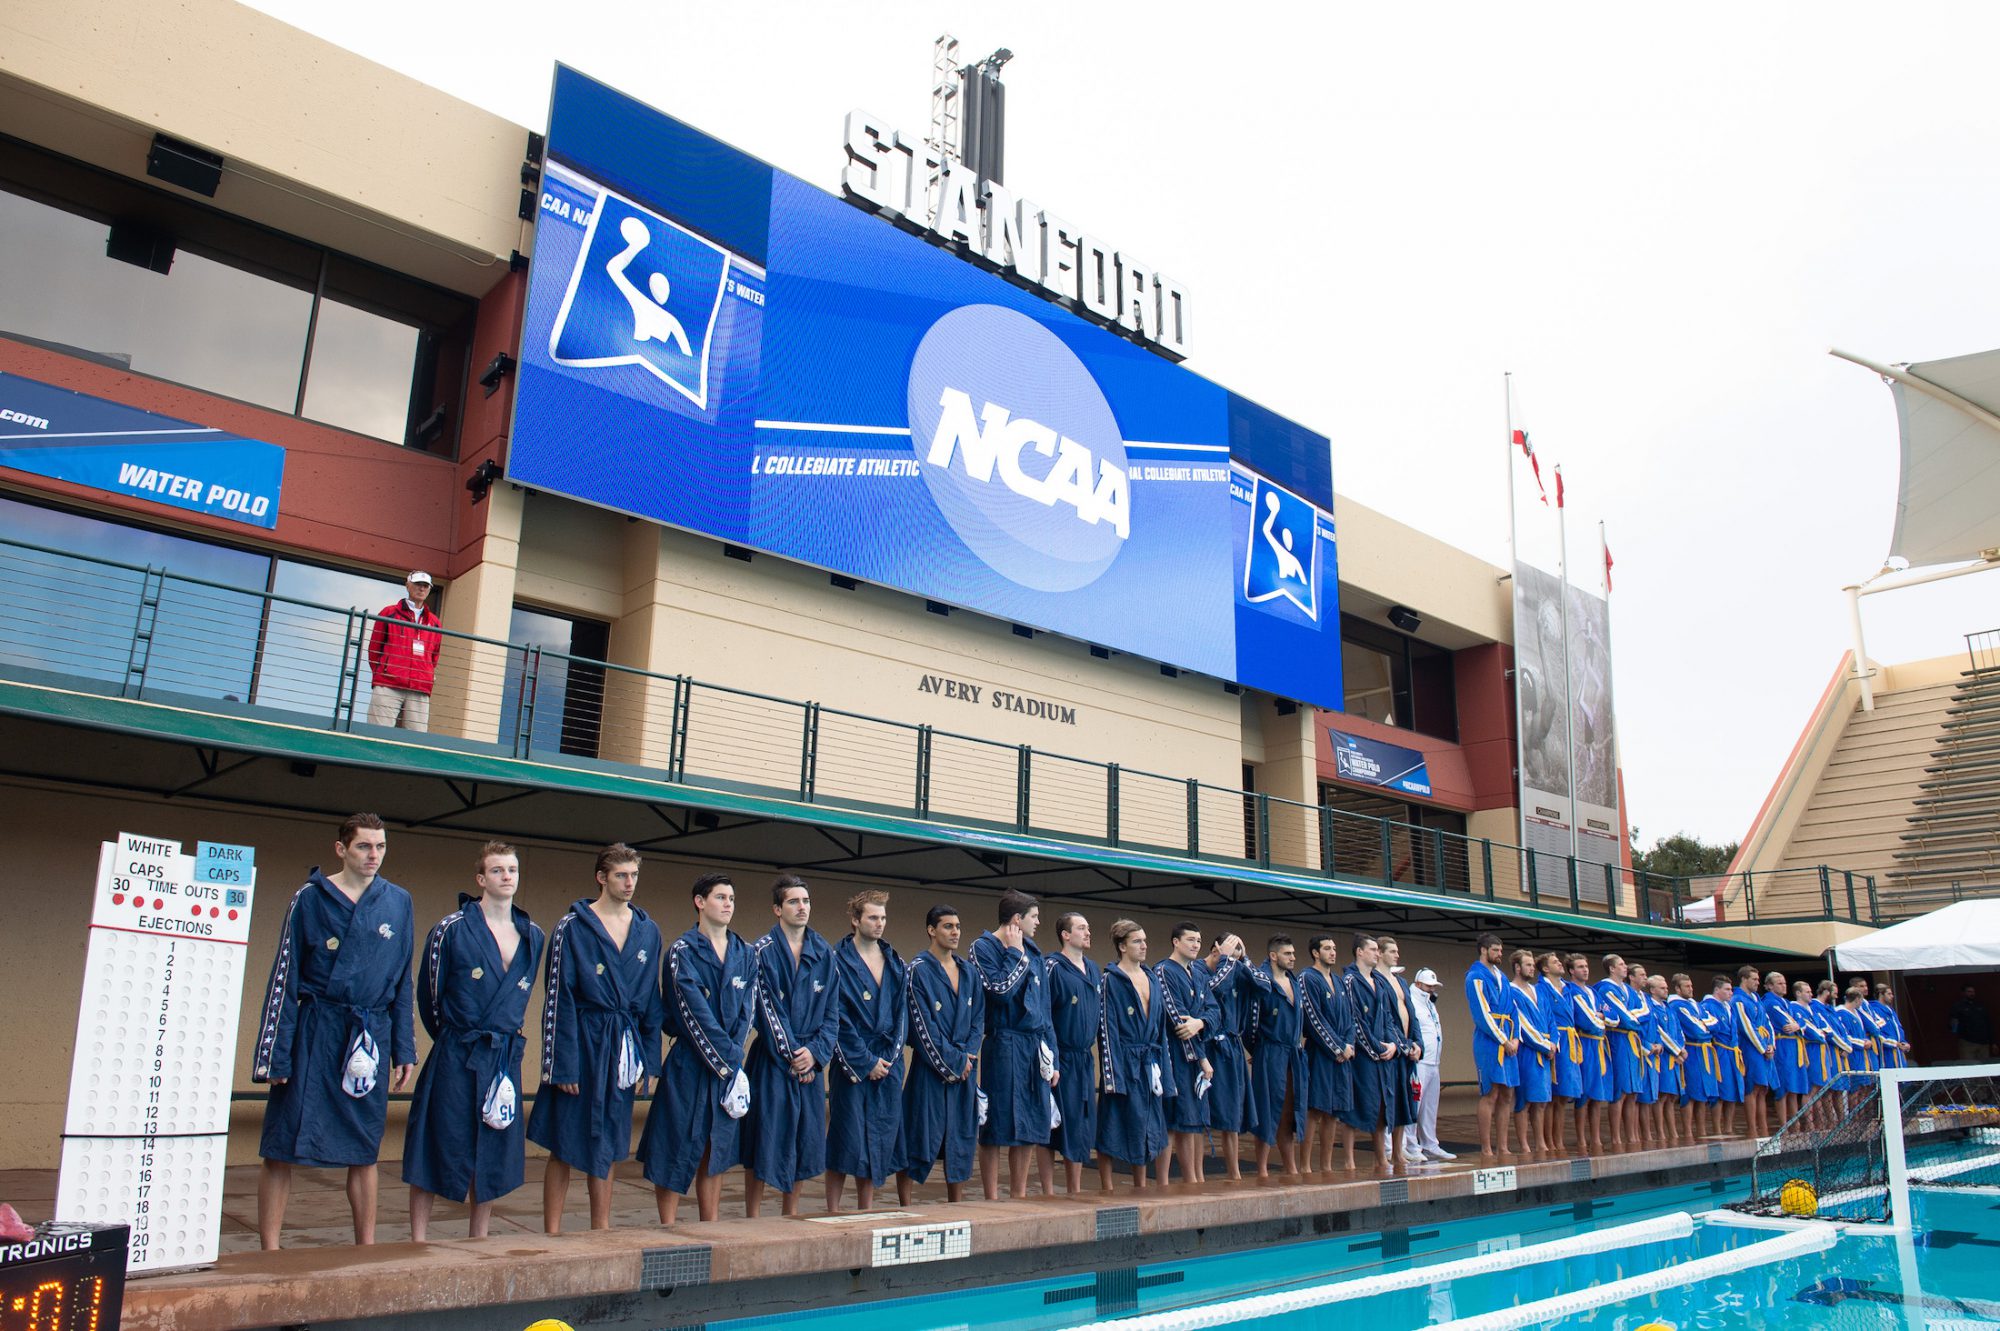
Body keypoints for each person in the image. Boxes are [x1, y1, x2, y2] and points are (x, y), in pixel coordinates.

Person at [253, 813, 416, 1248]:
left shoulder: (399, 902)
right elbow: (284, 979)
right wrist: (275, 1054)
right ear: (341, 848)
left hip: (369, 1035)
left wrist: (404, 1048)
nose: (373, 856)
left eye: (380, 847)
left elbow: (403, 981)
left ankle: (365, 1245)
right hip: (315, 1030)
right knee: (281, 1145)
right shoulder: (310, 898)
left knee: (364, 1147)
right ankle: (269, 1248)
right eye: (364, 846)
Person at [404, 840, 546, 1240]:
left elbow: (522, 993)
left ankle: (478, 1235)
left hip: (502, 1055)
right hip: (456, 1048)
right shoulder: (450, 929)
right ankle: (418, 1237)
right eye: (498, 870)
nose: (506, 877)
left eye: (512, 870)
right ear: (481, 878)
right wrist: (453, 1036)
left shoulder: (532, 934)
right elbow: (428, 996)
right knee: (436, 1141)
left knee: (493, 1145)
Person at [527, 843, 664, 1233]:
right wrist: (561, 1065)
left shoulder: (647, 930)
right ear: (601, 878)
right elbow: (558, 998)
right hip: (583, 1041)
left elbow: (651, 1002)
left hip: (621, 1045)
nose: (629, 883)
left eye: (634, 875)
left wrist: (648, 1061)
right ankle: (551, 1230)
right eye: (621, 875)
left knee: (608, 1144)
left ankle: (600, 1228)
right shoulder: (572, 927)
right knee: (564, 1143)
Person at [641, 872, 756, 1224]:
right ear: (700, 902)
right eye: (721, 897)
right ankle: (668, 1226)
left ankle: (711, 1224)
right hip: (690, 1064)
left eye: (732, 899)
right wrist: (728, 1059)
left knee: (715, 1148)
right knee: (674, 1145)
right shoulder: (682, 951)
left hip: (727, 1067)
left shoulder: (746, 953)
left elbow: (747, 1010)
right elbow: (691, 1011)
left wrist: (732, 1059)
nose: (727, 905)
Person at [743, 874, 839, 1218]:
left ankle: (791, 1214)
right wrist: (793, 1055)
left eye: (806, 901)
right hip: (773, 1063)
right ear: (777, 909)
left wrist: (814, 1056)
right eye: (794, 902)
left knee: (803, 1140)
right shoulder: (759, 952)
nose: (802, 907)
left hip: (810, 1067)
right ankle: (753, 1216)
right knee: (762, 1141)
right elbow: (765, 1009)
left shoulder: (825, 954)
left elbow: (832, 1013)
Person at [973, 890, 1057, 1200]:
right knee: (996, 1123)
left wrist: (1053, 1058)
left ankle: (1019, 1194)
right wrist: (1013, 952)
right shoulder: (982, 948)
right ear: (1016, 920)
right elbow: (998, 992)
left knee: (1032, 1123)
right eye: (1034, 917)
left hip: (1033, 1045)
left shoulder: (1034, 951)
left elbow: (1044, 1009)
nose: (1038, 922)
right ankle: (992, 1196)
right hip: (1004, 1041)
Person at [898, 905, 985, 1203]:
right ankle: (905, 1205)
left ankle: (956, 1205)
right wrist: (955, 1061)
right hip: (930, 1072)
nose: (955, 932)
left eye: (958, 926)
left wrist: (968, 1057)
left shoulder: (969, 972)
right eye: (948, 926)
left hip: (965, 1073)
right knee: (917, 1136)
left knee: (960, 1141)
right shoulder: (917, 971)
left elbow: (978, 1022)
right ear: (931, 930)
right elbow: (923, 1028)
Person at [826, 890, 905, 1213]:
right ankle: (831, 1208)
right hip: (852, 1060)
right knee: (846, 1135)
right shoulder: (836, 960)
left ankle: (866, 1209)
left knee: (879, 1136)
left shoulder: (894, 961)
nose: (879, 924)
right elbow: (836, 1015)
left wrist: (888, 1058)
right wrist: (865, 1061)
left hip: (887, 1060)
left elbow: (903, 1013)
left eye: (883, 917)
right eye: (873, 917)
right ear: (856, 920)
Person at [1097, 920, 1173, 1189]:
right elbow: (1106, 1030)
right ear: (1122, 946)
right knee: (1112, 1124)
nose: (1144, 945)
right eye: (1137, 941)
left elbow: (1162, 1028)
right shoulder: (1110, 980)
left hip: (1150, 1060)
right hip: (1123, 1062)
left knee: (1148, 1124)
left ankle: (1141, 1185)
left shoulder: (1152, 977)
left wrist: (1166, 1072)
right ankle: (1107, 1186)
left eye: (1144, 940)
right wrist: (1112, 1077)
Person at [1155, 922, 1219, 1185]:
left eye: (1199, 941)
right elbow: (1178, 1020)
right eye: (1190, 940)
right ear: (1175, 942)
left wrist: (1200, 1023)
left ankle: (1195, 1178)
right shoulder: (1163, 971)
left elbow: (1214, 1011)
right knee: (1172, 1121)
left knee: (1194, 1121)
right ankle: (1163, 1181)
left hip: (1196, 1053)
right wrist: (1202, 1056)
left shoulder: (1199, 974)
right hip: (1174, 1055)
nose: (1195, 945)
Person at [1343, 934, 1412, 1174]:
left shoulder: (1380, 983)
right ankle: (1349, 1160)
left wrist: (1394, 1045)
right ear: (1359, 952)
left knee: (1383, 1104)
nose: (1376, 953)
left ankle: (1381, 1158)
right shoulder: (1350, 981)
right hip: (1363, 1056)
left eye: (1376, 949)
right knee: (1354, 1107)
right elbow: (1355, 1021)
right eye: (1372, 949)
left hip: (1384, 1054)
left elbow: (1389, 1019)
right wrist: (1375, 1047)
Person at [1203, 930, 1268, 1180]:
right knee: (1203, 1114)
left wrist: (1244, 960)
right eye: (1231, 947)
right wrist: (1227, 960)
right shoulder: (1200, 969)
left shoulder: (1237, 967)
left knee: (1233, 1112)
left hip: (1232, 1046)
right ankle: (1196, 1175)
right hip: (1209, 1045)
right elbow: (1215, 989)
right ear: (1216, 949)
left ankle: (1235, 1173)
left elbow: (1264, 985)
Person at [1045, 912, 1101, 1194]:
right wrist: (1050, 1058)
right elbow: (1045, 1015)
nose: (1088, 932)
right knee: (1053, 1123)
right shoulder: (1053, 967)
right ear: (1066, 935)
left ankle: (1074, 1189)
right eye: (1081, 928)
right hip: (1060, 1057)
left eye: (1087, 927)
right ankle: (1047, 1190)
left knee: (1079, 1123)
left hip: (1083, 1059)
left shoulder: (1093, 968)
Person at [1248, 934, 1308, 1179]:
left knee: (1290, 1110)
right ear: (1273, 956)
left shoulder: (1294, 983)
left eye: (1293, 953)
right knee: (1267, 1109)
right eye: (1287, 953)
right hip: (1270, 1051)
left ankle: (1290, 1165)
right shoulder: (1263, 982)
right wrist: (1260, 1050)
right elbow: (1249, 1024)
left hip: (1292, 1053)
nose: (1293, 957)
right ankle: (1261, 1169)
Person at [1299, 934, 1358, 1172]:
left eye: (1334, 948)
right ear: (1315, 952)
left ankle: (1326, 1165)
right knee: (1315, 1109)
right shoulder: (1307, 977)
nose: (1332, 952)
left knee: (1334, 1111)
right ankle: (1304, 1165)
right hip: (1321, 1053)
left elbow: (1350, 1018)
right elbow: (1313, 1018)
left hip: (1343, 1054)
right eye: (1327, 948)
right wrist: (1336, 1046)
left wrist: (1349, 1044)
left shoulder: (1340, 981)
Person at [365, 571, 442, 732]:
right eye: (417, 584)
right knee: (378, 734)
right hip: (388, 684)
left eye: (425, 586)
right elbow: (375, 648)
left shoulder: (434, 622)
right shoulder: (389, 613)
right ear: (407, 585)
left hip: (420, 687)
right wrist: (384, 671)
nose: (421, 589)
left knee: (415, 741)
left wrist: (426, 674)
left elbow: (434, 655)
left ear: (429, 589)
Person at [1465, 933, 1518, 1157]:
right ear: (1484, 951)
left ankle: (1503, 1146)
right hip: (1489, 1041)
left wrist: (1515, 1037)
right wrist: (1503, 1039)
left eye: (1500, 950)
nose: (1499, 954)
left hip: (1509, 1039)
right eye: (1495, 950)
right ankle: (1486, 1148)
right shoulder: (1475, 976)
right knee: (1491, 1093)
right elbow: (1481, 1014)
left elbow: (1514, 1009)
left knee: (1508, 1093)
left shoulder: (1502, 977)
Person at [1378, 938, 1424, 1153]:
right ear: (1380, 953)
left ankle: (1400, 1149)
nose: (1397, 955)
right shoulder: (1376, 980)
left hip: (1406, 1048)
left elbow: (1411, 1016)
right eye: (1393, 951)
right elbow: (1385, 1018)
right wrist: (1401, 1045)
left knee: (1405, 1100)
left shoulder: (1401, 982)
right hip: (1393, 1049)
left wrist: (1417, 1044)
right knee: (1390, 1099)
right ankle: (1388, 1149)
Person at [1508, 951, 1554, 1156]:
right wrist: (1545, 1045)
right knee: (1524, 1100)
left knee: (1542, 1101)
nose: (1531, 968)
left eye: (1532, 965)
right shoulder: (1511, 991)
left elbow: (1551, 1019)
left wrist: (1554, 1043)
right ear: (1517, 967)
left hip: (1545, 1050)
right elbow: (1521, 1024)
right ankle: (1525, 1144)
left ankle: (1541, 1142)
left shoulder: (1538, 991)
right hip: (1528, 1049)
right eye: (1527, 965)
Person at [1594, 955, 1643, 1150]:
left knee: (1632, 1092)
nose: (1625, 967)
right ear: (1612, 969)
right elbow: (1624, 1017)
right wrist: (1632, 1018)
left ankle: (1632, 1136)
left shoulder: (1630, 991)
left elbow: (1644, 1012)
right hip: (1618, 1040)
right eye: (1622, 964)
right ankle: (1616, 1137)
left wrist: (1632, 1018)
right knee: (1620, 1090)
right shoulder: (1605, 988)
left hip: (1632, 1041)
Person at [1565, 954, 1612, 1152]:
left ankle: (1596, 1137)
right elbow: (1584, 1018)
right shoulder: (1571, 990)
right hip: (1584, 1043)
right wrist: (1601, 1018)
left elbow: (1613, 1016)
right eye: (1580, 967)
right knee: (1584, 1095)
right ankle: (1582, 1138)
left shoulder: (1594, 992)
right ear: (1571, 971)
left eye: (1586, 966)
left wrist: (1602, 1016)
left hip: (1599, 1043)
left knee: (1597, 1095)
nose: (1585, 969)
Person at [1406, 967, 1453, 1162]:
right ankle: (1410, 1145)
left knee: (1430, 1105)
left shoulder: (1430, 1004)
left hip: (1434, 1062)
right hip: (1420, 1062)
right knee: (1414, 1104)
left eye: (1433, 986)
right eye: (1427, 986)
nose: (1431, 990)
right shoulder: (1412, 1001)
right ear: (1418, 985)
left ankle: (1429, 1143)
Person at [1668, 973, 1717, 1141]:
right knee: (1691, 1092)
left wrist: (1704, 1025)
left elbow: (1714, 1023)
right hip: (1692, 1051)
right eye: (1687, 986)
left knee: (1703, 1093)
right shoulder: (1676, 1005)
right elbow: (1696, 1029)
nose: (1691, 989)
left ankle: (1701, 1130)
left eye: (1691, 986)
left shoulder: (1695, 1004)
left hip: (1704, 1052)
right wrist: (1704, 1025)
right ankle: (1688, 1132)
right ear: (1677, 988)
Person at [1538, 952, 1577, 1155]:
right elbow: (1544, 1015)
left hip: (1569, 1040)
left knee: (1563, 1096)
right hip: (1554, 1040)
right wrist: (1551, 1041)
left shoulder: (1567, 988)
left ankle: (1558, 1139)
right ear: (1545, 968)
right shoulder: (1541, 988)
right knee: (1552, 1095)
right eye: (1555, 962)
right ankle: (1547, 1140)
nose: (1560, 964)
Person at [1732, 965, 1776, 1139]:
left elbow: (1767, 1023)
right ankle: (1752, 1128)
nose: (1758, 982)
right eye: (1754, 979)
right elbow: (1746, 1027)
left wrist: (1771, 1044)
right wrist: (1762, 1047)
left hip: (1764, 1047)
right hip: (1751, 1048)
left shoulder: (1756, 999)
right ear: (1744, 979)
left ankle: (1763, 1126)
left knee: (1763, 1088)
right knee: (1753, 1087)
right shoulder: (1738, 1000)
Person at [1762, 969, 1808, 1130]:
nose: (1783, 986)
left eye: (1784, 983)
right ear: (1769, 986)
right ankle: (1783, 1125)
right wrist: (1798, 1025)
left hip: (1794, 1047)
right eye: (1779, 983)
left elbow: (1801, 1021)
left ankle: (1795, 1124)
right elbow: (1786, 1023)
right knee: (1784, 1088)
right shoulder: (1770, 1002)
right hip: (1783, 1047)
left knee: (1794, 1088)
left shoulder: (1787, 1003)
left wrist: (1799, 1025)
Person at [1701, 975, 1747, 1135]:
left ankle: (1728, 1127)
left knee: (1733, 1090)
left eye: (1731, 989)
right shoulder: (1707, 1006)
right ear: (1717, 990)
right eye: (1727, 989)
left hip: (1732, 1053)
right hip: (1719, 1052)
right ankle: (1717, 1128)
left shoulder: (1729, 1007)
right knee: (1719, 1091)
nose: (1730, 992)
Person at [1645, 974, 1684, 1144]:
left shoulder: (1668, 1008)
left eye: (1666, 987)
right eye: (1662, 988)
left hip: (1675, 1057)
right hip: (1663, 1056)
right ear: (1652, 990)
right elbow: (1660, 1032)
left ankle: (1673, 1131)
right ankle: (1660, 1133)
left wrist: (1682, 1048)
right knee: (1662, 1096)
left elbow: (1678, 1031)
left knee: (1671, 1097)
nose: (1666, 990)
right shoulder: (1652, 1008)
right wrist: (1676, 1050)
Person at [1868, 985, 1913, 1068]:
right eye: (1889, 994)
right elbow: (1878, 1033)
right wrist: (1895, 1044)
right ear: (1881, 994)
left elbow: (1899, 1029)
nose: (1892, 996)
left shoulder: (1891, 1011)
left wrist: (1904, 1043)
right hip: (1887, 1054)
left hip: (1899, 1053)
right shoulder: (1875, 1010)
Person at [1950, 985, 1993, 1062]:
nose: (1972, 993)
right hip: (1967, 1042)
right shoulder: (1958, 1006)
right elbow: (1954, 1023)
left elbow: (1987, 1023)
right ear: (1963, 993)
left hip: (1983, 1043)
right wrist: (1956, 1032)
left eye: (1973, 991)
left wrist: (1992, 1041)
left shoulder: (1980, 1006)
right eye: (1969, 991)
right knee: (1969, 1066)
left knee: (1984, 1067)